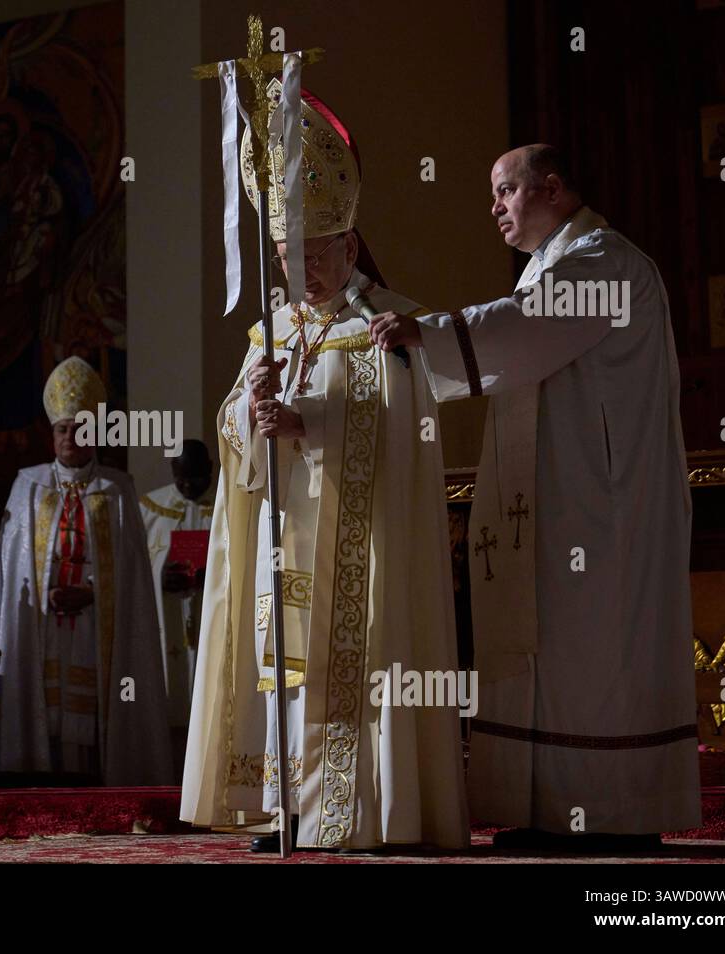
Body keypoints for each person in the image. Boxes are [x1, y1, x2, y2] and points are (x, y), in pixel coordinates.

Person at [369, 144, 699, 849]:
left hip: (602, 509)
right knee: (546, 648)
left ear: (552, 188)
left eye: (505, 190)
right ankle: (551, 811)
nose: (493, 207)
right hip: (560, 503)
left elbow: (521, 328)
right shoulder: (553, 266)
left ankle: (609, 821)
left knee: (589, 650)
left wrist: (423, 334)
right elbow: (521, 326)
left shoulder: (606, 261)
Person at [182, 82, 468, 852]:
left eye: (313, 252)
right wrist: (253, 415)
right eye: (285, 255)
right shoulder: (267, 336)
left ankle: (362, 810)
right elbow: (233, 431)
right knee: (284, 671)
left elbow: (403, 431)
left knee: (355, 665)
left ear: (348, 244)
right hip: (283, 537)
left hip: (362, 545)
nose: (299, 269)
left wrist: (311, 424)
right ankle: (290, 810)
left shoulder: (388, 326)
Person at [0, 356, 172, 784]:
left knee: (96, 709)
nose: (71, 437)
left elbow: (132, 579)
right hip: (42, 628)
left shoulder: (117, 488)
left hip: (96, 627)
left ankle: (99, 786)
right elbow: (12, 573)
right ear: (51, 435)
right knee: (44, 706)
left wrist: (94, 592)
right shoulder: (26, 486)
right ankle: (41, 784)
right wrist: (46, 590)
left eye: (80, 429)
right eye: (62, 429)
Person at [139, 439, 214, 770]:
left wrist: (212, 578)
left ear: (211, 472)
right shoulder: (149, 508)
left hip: (211, 618)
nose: (187, 486)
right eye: (181, 478)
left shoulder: (233, 504)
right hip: (165, 620)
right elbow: (134, 567)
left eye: (196, 479)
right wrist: (159, 576)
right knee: (172, 694)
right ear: (173, 471)